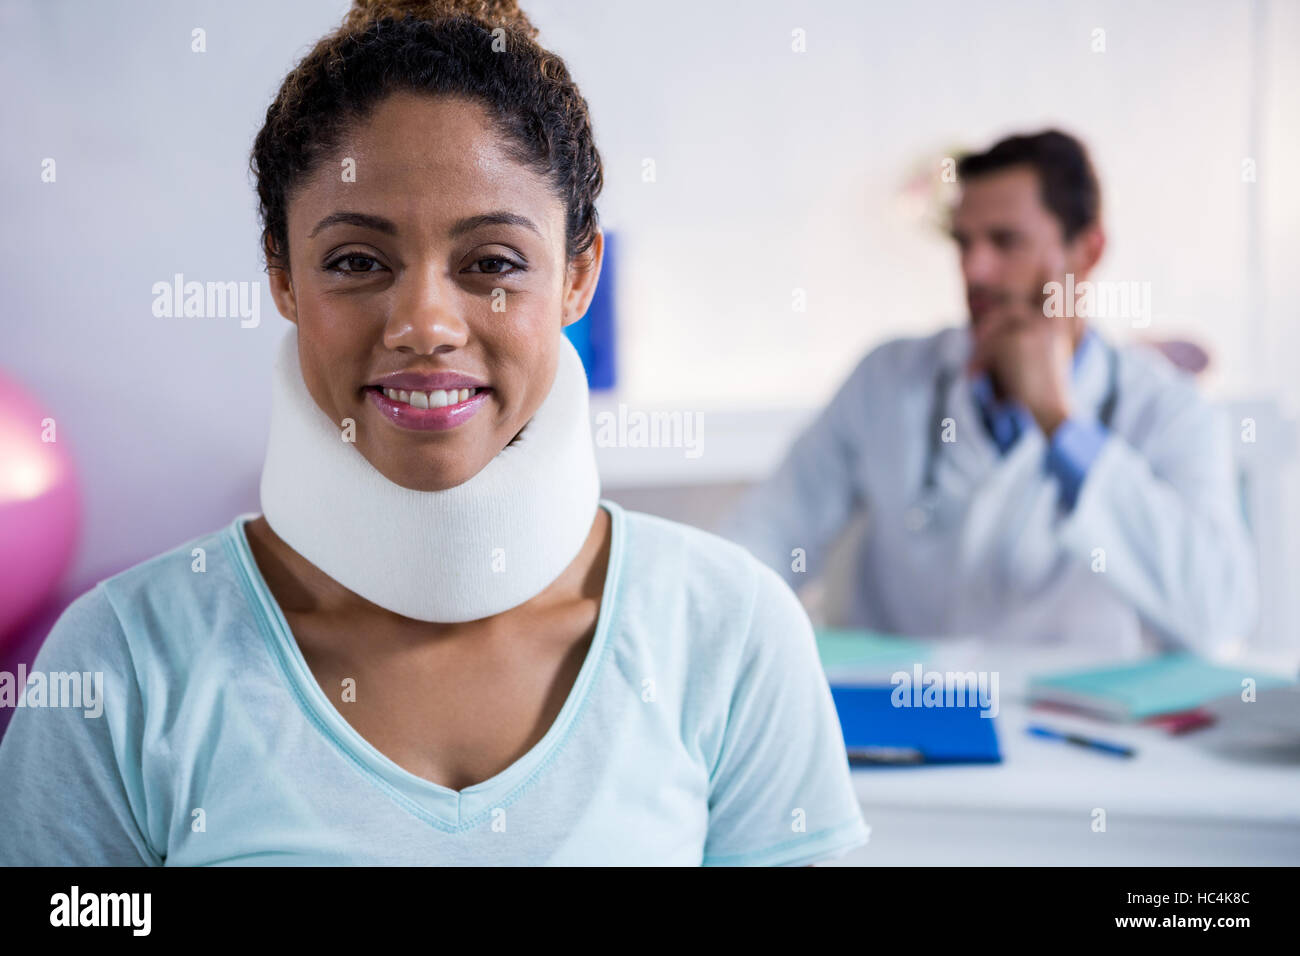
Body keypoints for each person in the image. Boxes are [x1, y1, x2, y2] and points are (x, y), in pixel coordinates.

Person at [0, 0, 867, 866]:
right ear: (281, 276)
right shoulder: (120, 662)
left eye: (492, 263)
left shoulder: (730, 632)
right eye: (356, 261)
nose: (425, 324)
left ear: (578, 277)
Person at [720, 130, 1258, 656]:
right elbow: (768, 533)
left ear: (1087, 252)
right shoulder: (888, 378)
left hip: (1075, 730)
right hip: (899, 713)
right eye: (963, 242)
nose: (974, 270)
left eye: (1005, 241)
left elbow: (1214, 614)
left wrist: (1060, 424)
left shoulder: (1166, 410)